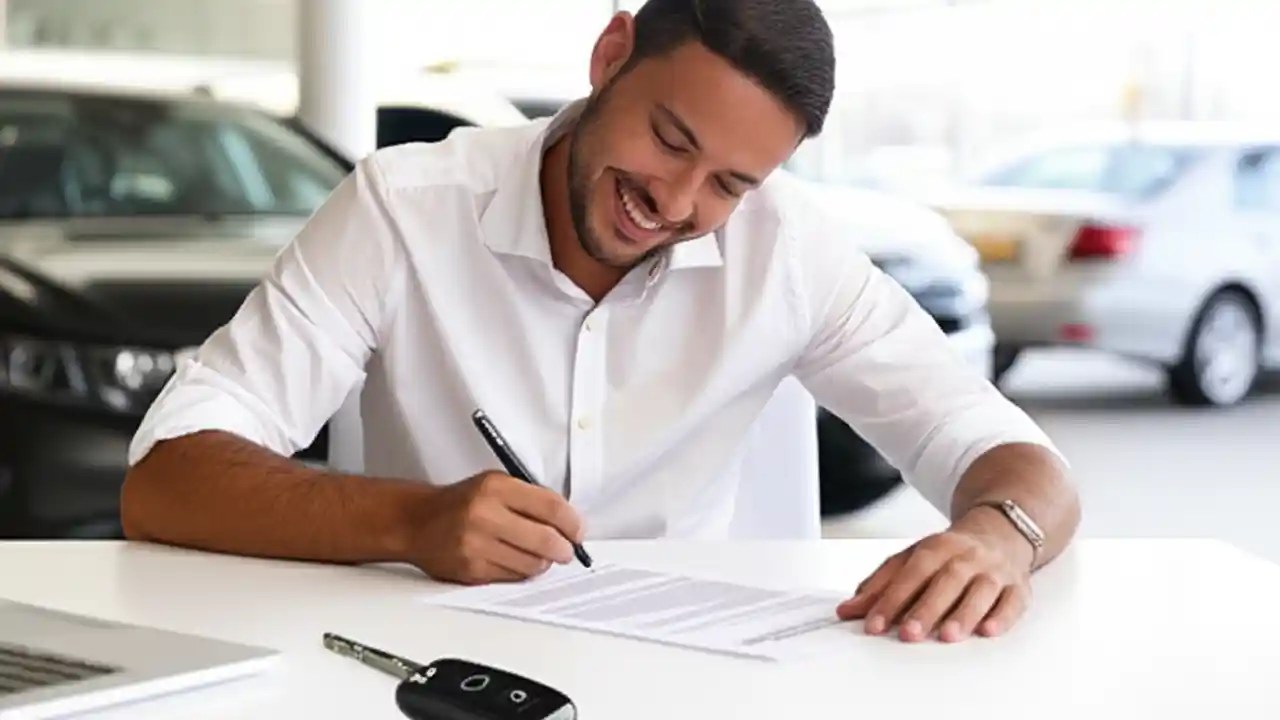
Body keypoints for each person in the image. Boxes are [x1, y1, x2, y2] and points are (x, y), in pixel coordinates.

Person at [121, 0, 1080, 644]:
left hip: (703, 679)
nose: (675, 201)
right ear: (610, 55)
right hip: (435, 667)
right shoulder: (402, 207)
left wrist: (1000, 534)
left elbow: (1016, 459)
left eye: (731, 184)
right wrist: (412, 519)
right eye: (670, 140)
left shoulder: (791, 248)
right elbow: (168, 478)